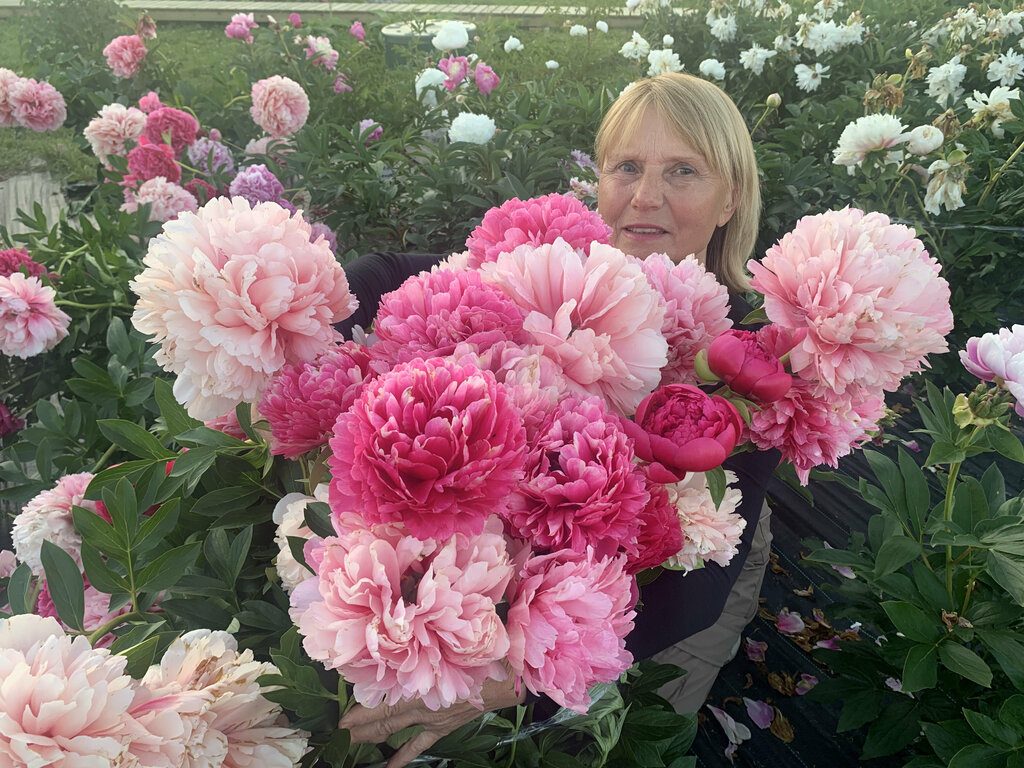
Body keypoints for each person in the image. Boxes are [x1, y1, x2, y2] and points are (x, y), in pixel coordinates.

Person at [336, 72, 778, 767]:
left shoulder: (748, 350)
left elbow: (692, 600)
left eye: (683, 171)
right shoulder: (559, 269)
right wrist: (318, 316)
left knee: (637, 721)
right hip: (560, 539)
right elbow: (390, 268)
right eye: (626, 167)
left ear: (731, 198)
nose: (646, 195)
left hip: (696, 555)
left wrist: (504, 679)